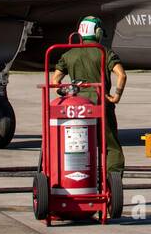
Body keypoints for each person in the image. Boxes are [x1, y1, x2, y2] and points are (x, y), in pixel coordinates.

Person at [52, 16, 127, 181]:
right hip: (100, 103)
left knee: (79, 145)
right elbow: (121, 75)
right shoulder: (104, 52)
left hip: (76, 107)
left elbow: (55, 81)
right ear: (98, 32)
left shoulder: (69, 54)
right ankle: (111, 183)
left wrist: (69, 91)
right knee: (111, 147)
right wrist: (116, 96)